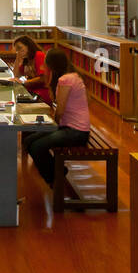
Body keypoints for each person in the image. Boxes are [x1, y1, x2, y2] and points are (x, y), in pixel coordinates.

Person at [25, 47, 91, 190]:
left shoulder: (65, 80)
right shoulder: (71, 75)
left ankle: (55, 179)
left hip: (76, 131)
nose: (42, 67)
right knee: (29, 141)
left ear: (51, 65)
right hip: (71, 128)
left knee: (36, 146)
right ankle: (58, 173)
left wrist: (52, 125)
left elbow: (60, 110)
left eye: (45, 64)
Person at [11, 34, 51, 103]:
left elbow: (43, 79)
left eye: (20, 48)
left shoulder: (39, 55)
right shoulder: (26, 59)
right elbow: (16, 75)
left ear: (28, 46)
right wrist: (17, 58)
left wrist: (24, 82)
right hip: (31, 90)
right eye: (17, 50)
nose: (19, 52)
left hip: (42, 91)